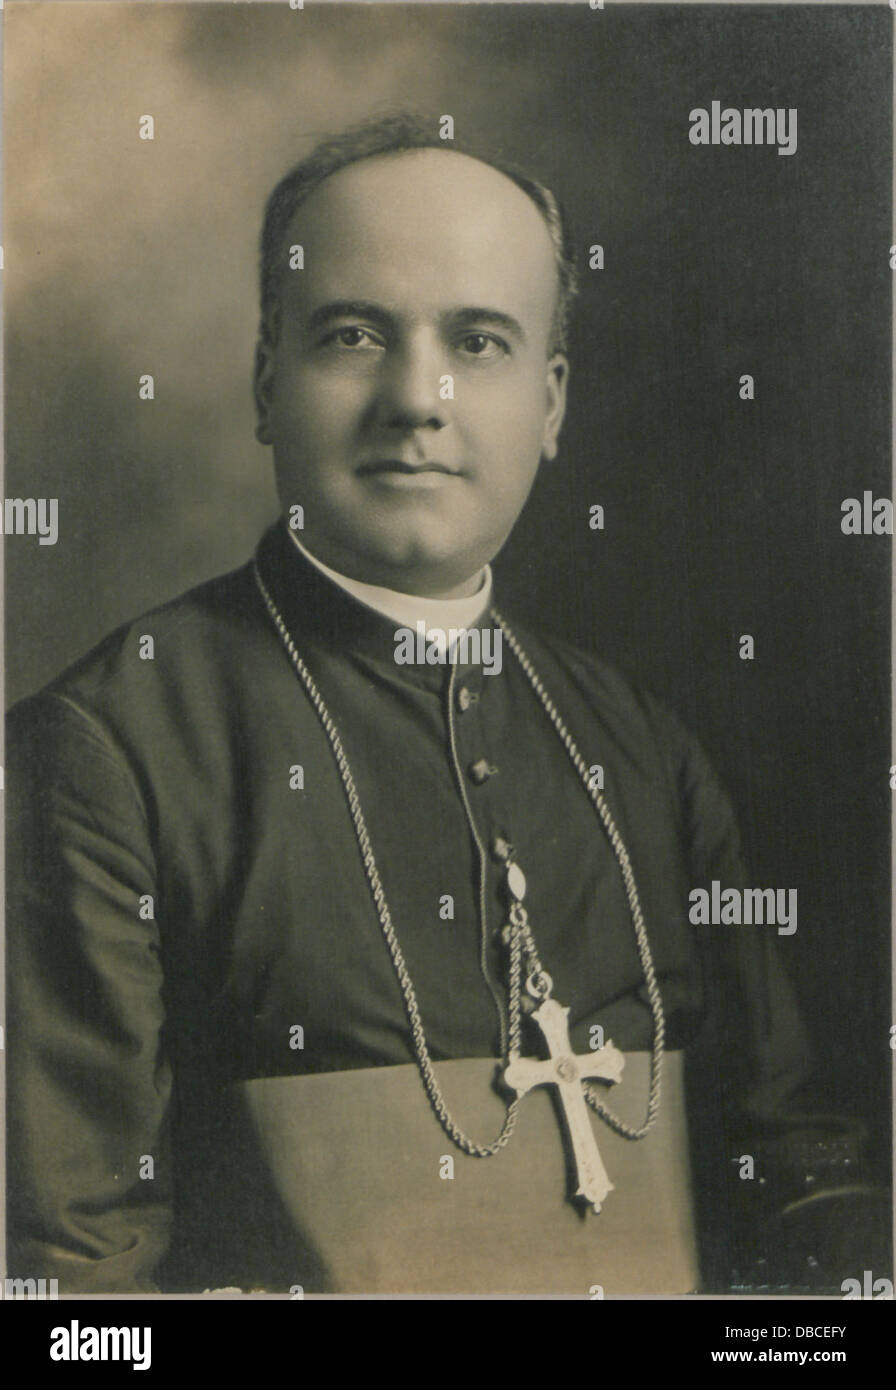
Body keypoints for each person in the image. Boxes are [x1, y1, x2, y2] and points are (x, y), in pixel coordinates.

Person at [5, 114, 866, 1297]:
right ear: (267, 380)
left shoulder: (643, 752)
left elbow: (796, 1175)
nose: (418, 397)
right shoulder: (105, 750)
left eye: (479, 339)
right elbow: (62, 1292)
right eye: (353, 335)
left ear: (551, 404)